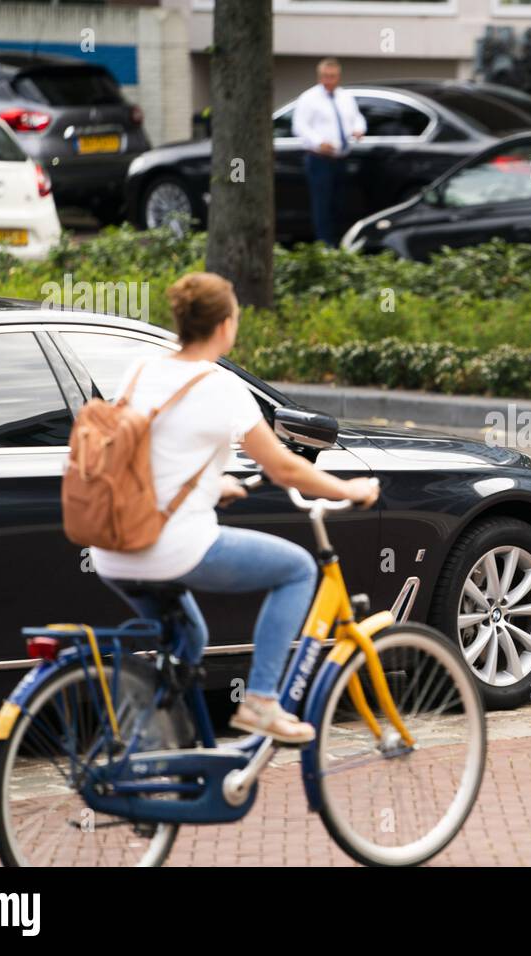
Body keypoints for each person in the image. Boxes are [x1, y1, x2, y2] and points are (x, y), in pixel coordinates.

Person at [92, 272, 378, 744]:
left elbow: (150, 451)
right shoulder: (222, 387)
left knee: (190, 639)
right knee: (297, 570)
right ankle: (262, 701)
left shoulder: (139, 370)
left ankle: (150, 744)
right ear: (225, 325)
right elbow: (286, 469)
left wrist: (210, 483)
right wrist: (349, 490)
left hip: (112, 547)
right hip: (171, 546)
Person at [291, 57, 365, 245]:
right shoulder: (309, 98)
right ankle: (325, 245)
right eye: (325, 76)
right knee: (322, 205)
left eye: (332, 76)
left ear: (338, 77)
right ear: (319, 76)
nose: (328, 80)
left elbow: (357, 118)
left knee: (340, 204)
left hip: (341, 158)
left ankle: (339, 242)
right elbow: (299, 126)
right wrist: (319, 142)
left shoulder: (345, 97)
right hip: (319, 159)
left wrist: (358, 129)